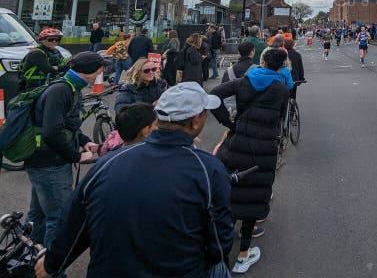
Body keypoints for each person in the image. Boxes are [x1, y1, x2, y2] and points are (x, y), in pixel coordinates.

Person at [35, 82, 233, 277]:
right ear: (196, 120)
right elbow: (219, 242)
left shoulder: (108, 162)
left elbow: (75, 221)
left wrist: (53, 263)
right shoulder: (208, 169)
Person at [210, 49, 290, 275]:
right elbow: (280, 119)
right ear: (281, 67)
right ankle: (244, 254)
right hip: (264, 147)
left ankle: (220, 254)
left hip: (238, 142)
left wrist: (229, 123)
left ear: (262, 62)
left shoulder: (244, 82)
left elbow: (214, 95)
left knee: (231, 189)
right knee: (255, 192)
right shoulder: (282, 89)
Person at [26, 52, 111, 254]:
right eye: (100, 68)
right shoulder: (62, 90)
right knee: (58, 219)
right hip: (49, 164)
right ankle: (51, 269)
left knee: (38, 216)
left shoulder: (70, 87)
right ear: (89, 71)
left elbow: (67, 125)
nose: (102, 71)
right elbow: (51, 132)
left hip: (46, 162)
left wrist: (85, 141)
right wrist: (76, 156)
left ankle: (29, 260)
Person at [18, 28, 70, 92]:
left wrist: (58, 68)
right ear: (42, 40)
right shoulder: (37, 53)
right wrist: (61, 68)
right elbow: (48, 70)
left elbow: (66, 65)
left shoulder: (56, 51)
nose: (54, 41)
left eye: (57, 40)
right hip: (34, 87)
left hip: (49, 83)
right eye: (51, 39)